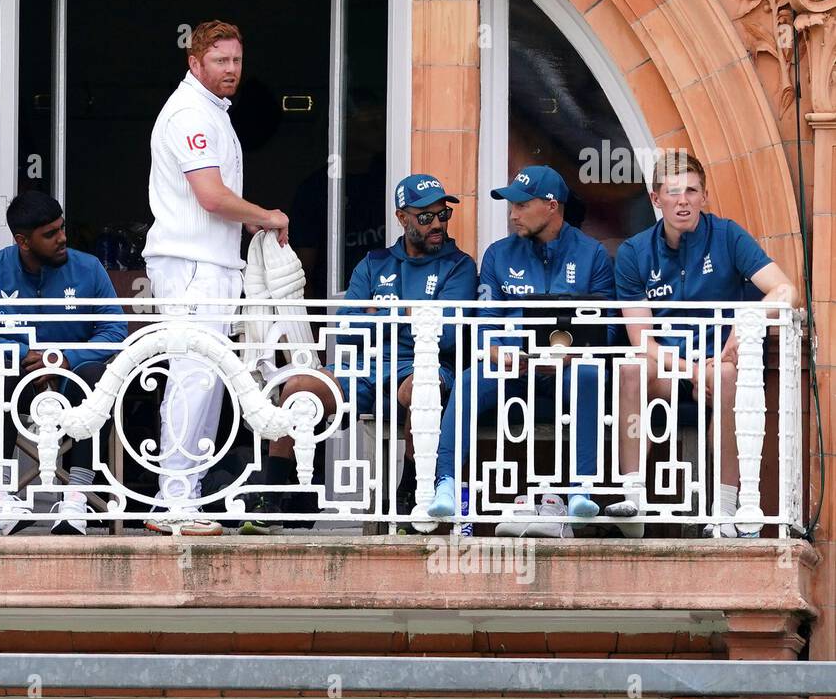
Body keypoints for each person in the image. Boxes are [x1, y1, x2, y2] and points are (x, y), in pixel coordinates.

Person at [243, 174, 477, 534]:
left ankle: (410, 491)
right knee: (298, 386)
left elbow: (447, 336)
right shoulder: (375, 262)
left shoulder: (459, 265)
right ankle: (271, 496)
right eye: (426, 217)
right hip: (365, 367)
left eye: (442, 215)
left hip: (421, 369)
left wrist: (379, 314)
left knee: (420, 389)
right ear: (402, 218)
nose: (437, 225)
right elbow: (347, 327)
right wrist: (405, 314)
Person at [143, 19, 291, 535]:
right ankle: (174, 500)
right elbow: (209, 195)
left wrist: (251, 218)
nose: (231, 70)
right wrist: (266, 216)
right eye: (220, 61)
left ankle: (187, 497)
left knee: (205, 383)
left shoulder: (209, 111)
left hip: (210, 263)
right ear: (195, 62)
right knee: (193, 378)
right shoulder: (190, 113)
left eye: (236, 60)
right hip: (191, 266)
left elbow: (212, 199)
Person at [614, 151, 796, 537]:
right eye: (673, 191)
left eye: (692, 191)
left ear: (704, 196)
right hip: (669, 367)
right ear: (655, 198)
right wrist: (697, 372)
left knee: (729, 376)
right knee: (631, 366)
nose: (683, 200)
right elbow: (641, 340)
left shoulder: (728, 235)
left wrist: (747, 322)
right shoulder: (633, 252)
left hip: (721, 365)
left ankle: (726, 511)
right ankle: (632, 497)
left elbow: (785, 290)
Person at [431, 165, 615, 537]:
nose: (513, 214)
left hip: (567, 366)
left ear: (551, 206)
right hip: (511, 364)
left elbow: (608, 327)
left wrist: (572, 354)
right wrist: (498, 352)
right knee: (468, 381)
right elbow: (483, 322)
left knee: (590, 375)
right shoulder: (499, 254)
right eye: (510, 206)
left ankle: (580, 489)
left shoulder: (592, 253)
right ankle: (445, 484)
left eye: (521, 204)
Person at [0, 191, 129, 535]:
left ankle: (75, 499)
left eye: (62, 228)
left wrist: (64, 359)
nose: (62, 238)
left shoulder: (89, 267)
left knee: (99, 376)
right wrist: (22, 353)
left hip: (73, 382)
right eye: (50, 234)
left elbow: (115, 329)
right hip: (21, 384)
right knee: (0, 369)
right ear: (23, 241)